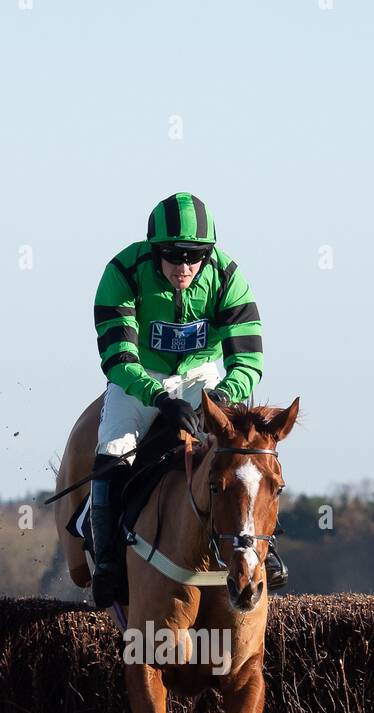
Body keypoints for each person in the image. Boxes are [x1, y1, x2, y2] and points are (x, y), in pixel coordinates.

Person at [90, 192, 286, 608]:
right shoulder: (122, 272)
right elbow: (118, 357)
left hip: (204, 375)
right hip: (140, 375)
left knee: (247, 453)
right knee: (114, 450)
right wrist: (159, 397)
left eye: (194, 257)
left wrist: (223, 394)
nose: (184, 268)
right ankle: (107, 563)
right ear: (154, 249)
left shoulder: (229, 277)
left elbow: (248, 359)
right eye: (174, 256)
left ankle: (264, 551)